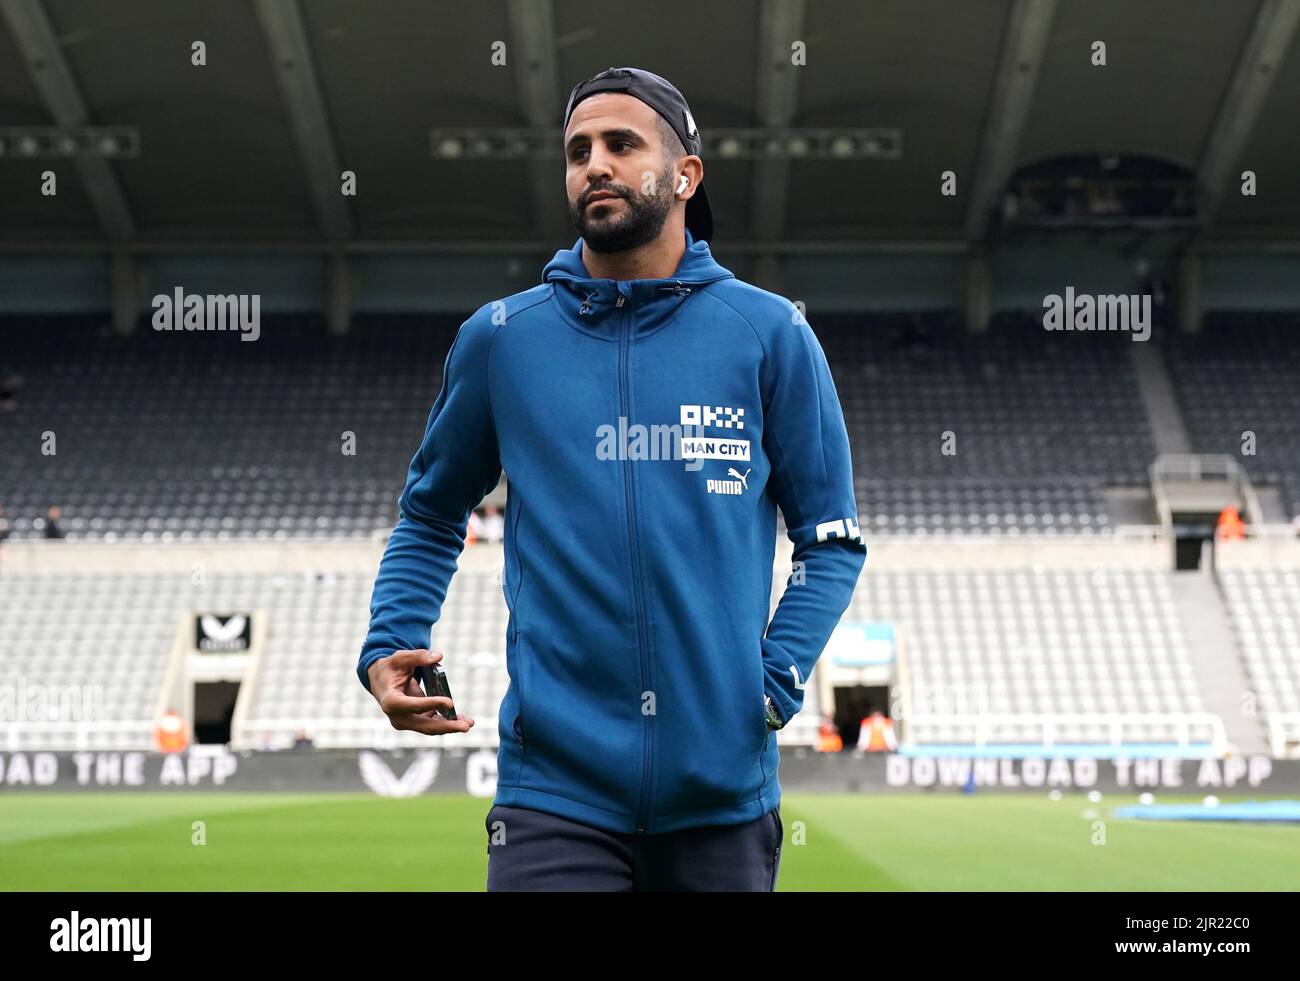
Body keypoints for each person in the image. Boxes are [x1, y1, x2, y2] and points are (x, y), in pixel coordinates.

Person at [357, 67, 866, 892]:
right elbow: (431, 512)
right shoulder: (502, 340)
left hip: (722, 798)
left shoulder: (770, 334)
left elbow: (831, 539)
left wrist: (770, 682)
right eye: (578, 150)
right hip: (553, 794)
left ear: (686, 173)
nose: (595, 163)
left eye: (622, 145)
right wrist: (389, 640)